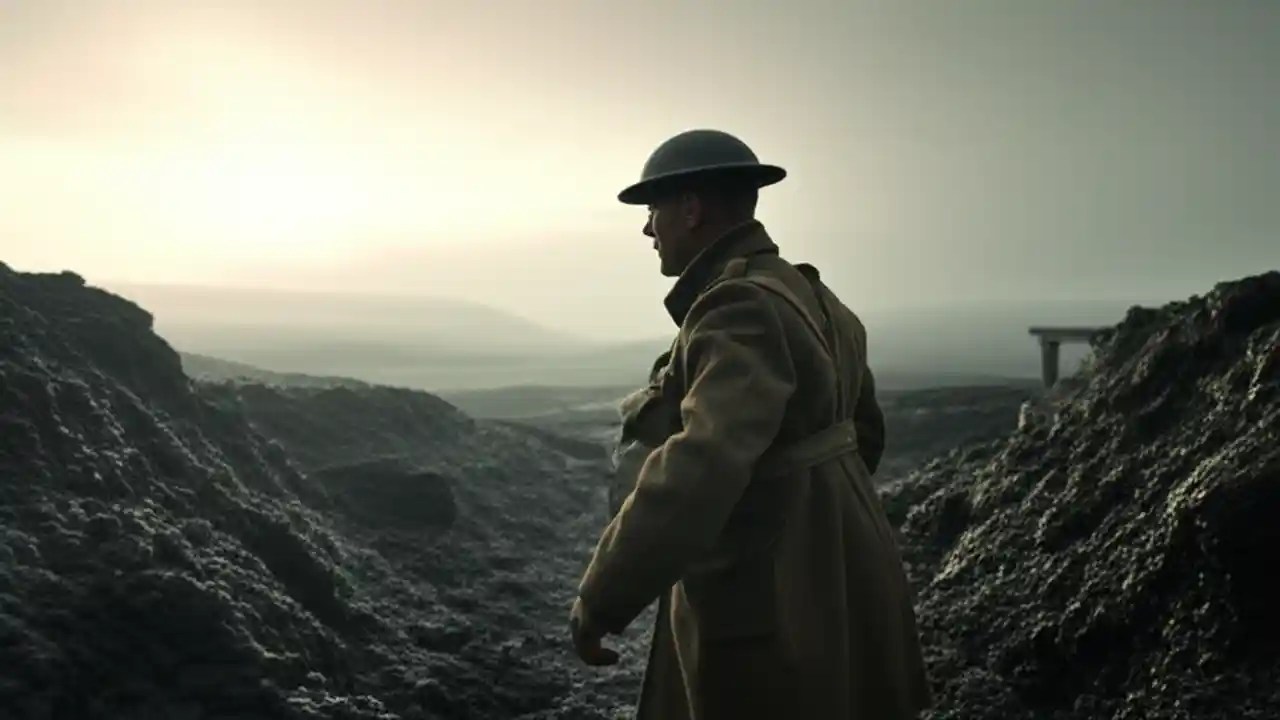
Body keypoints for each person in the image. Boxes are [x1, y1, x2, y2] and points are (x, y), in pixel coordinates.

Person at [569, 129, 933, 719]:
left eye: (654, 210)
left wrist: (602, 598)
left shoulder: (736, 305)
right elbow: (865, 435)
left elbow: (699, 467)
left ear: (690, 208)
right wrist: (821, 521)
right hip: (845, 576)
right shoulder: (813, 294)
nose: (646, 229)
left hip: (772, 596)